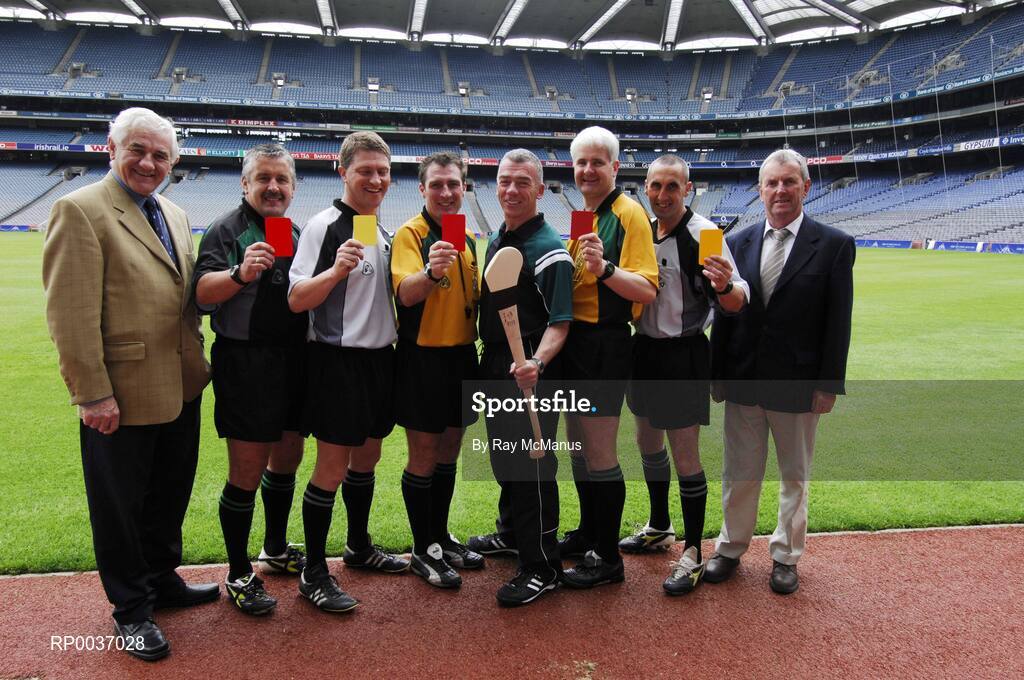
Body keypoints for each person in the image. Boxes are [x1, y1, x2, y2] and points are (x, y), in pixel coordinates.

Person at [42, 107, 215, 661]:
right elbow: (70, 313)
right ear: (110, 149)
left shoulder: (174, 211)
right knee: (119, 505)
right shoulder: (81, 209)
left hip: (181, 385)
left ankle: (162, 580)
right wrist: (92, 392)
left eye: (161, 155)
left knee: (168, 494)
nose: (149, 162)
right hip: (119, 391)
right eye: (137, 150)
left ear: (173, 163)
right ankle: (131, 610)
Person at [707, 148, 855, 595]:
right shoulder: (739, 242)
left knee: (794, 475)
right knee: (740, 471)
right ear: (759, 190)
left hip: (798, 383)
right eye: (771, 183)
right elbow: (724, 314)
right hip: (745, 379)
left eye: (789, 182)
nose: (780, 190)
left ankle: (786, 555)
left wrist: (828, 384)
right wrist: (718, 375)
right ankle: (731, 547)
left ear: (806, 187)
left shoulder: (833, 245)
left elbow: (838, 320)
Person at [288, 131, 408, 613]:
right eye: (365, 171)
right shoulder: (324, 226)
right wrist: (335, 272)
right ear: (343, 173)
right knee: (332, 468)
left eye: (382, 171)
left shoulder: (380, 231)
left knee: (368, 459)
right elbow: (297, 299)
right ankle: (313, 571)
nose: (375, 179)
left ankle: (357, 547)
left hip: (380, 362)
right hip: (338, 363)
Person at [622, 155, 748, 595]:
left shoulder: (705, 234)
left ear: (688, 189)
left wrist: (725, 285)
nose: (662, 195)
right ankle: (660, 525)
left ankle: (693, 551)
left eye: (672, 186)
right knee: (647, 441)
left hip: (683, 353)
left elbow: (739, 296)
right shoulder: (640, 229)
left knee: (685, 455)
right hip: (644, 351)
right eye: (655, 186)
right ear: (646, 188)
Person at [193, 143, 308, 615]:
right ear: (246, 183)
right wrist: (240, 274)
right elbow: (200, 296)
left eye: (282, 179)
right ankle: (238, 571)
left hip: (293, 362)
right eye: (263, 178)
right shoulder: (226, 229)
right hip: (245, 364)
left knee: (287, 456)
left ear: (293, 187)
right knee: (245, 467)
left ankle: (275, 550)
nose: (273, 187)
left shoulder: (294, 232)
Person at [467, 149, 574, 606]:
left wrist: (538, 363)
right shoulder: (501, 237)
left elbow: (561, 322)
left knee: (531, 465)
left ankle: (542, 565)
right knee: (505, 461)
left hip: (531, 372)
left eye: (522, 182)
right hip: (496, 366)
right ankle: (512, 534)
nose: (511, 190)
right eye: (505, 181)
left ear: (541, 188)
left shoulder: (548, 248)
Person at [560, 126, 658, 589]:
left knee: (599, 452)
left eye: (598, 162)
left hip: (604, 344)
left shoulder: (629, 213)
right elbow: (578, 279)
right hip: (575, 342)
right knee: (579, 447)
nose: (588, 169)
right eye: (581, 162)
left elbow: (647, 289)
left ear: (615, 167)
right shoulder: (585, 214)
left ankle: (608, 559)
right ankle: (588, 535)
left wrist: (607, 269)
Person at [391, 151, 483, 588]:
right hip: (423, 359)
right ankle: (421, 549)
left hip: (462, 358)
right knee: (424, 456)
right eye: (437, 185)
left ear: (463, 187)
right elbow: (406, 294)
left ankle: (439, 537)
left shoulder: (466, 236)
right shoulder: (411, 234)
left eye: (453, 185)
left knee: (449, 450)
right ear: (422, 189)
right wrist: (430, 272)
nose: (446, 193)